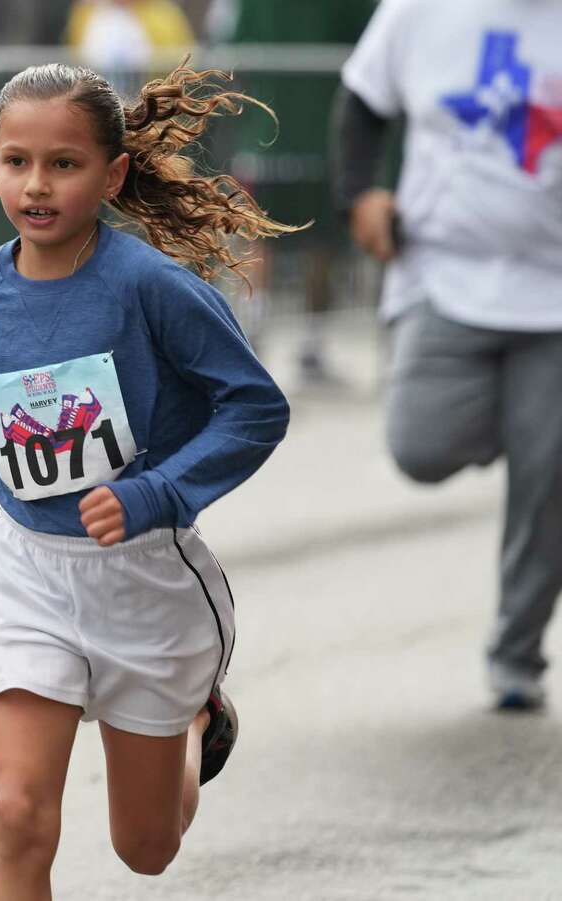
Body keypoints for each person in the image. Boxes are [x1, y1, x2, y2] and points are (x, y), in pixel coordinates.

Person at [0, 62, 293, 896]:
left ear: (112, 174)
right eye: (17, 162)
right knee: (19, 813)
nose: (36, 185)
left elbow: (256, 409)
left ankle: (197, 719)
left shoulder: (153, 290)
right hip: (27, 578)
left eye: (64, 164)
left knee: (146, 847)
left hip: (145, 579)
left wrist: (156, 493)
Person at [334, 0, 562, 710]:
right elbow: (362, 103)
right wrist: (359, 195)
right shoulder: (421, 8)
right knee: (418, 445)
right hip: (443, 271)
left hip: (554, 291)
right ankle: (516, 421)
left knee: (549, 472)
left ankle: (515, 652)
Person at [206, 0, 376, 385]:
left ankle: (285, 340)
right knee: (288, 239)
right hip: (292, 136)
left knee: (283, 239)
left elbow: (226, 46)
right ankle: (268, 337)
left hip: (298, 136)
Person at [65, 0, 194, 72]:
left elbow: (183, 57)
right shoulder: (86, 12)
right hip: (96, 102)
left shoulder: (163, 12)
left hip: (150, 102)